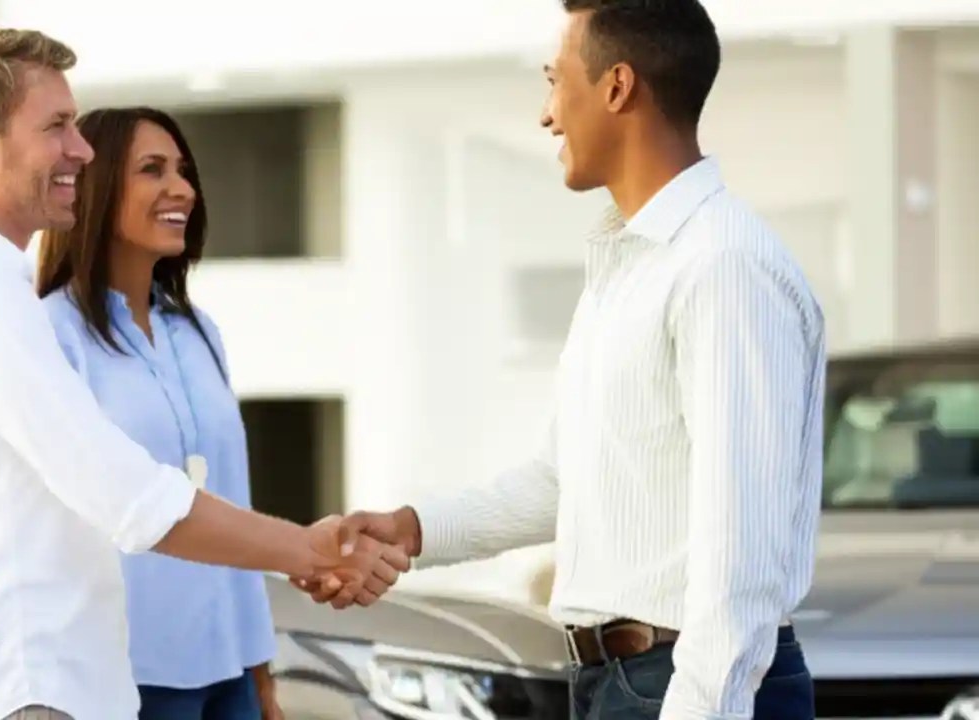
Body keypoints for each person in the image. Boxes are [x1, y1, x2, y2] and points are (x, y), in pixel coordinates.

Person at [0, 28, 405, 720]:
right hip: (18, 689)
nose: (80, 151)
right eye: (56, 127)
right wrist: (307, 549)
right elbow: (124, 490)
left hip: (49, 685)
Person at [302, 1, 827, 719]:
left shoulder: (722, 267)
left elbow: (740, 559)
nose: (547, 114)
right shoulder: (627, 264)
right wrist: (412, 529)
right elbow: (565, 480)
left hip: (690, 688)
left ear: (616, 87)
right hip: (621, 682)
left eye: (554, 81)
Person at [34, 106, 342, 720]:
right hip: (124, 676)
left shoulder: (199, 332)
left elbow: (232, 496)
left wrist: (260, 674)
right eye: (153, 170)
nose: (183, 189)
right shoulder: (51, 335)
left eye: (183, 170)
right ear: (96, 189)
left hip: (227, 672)